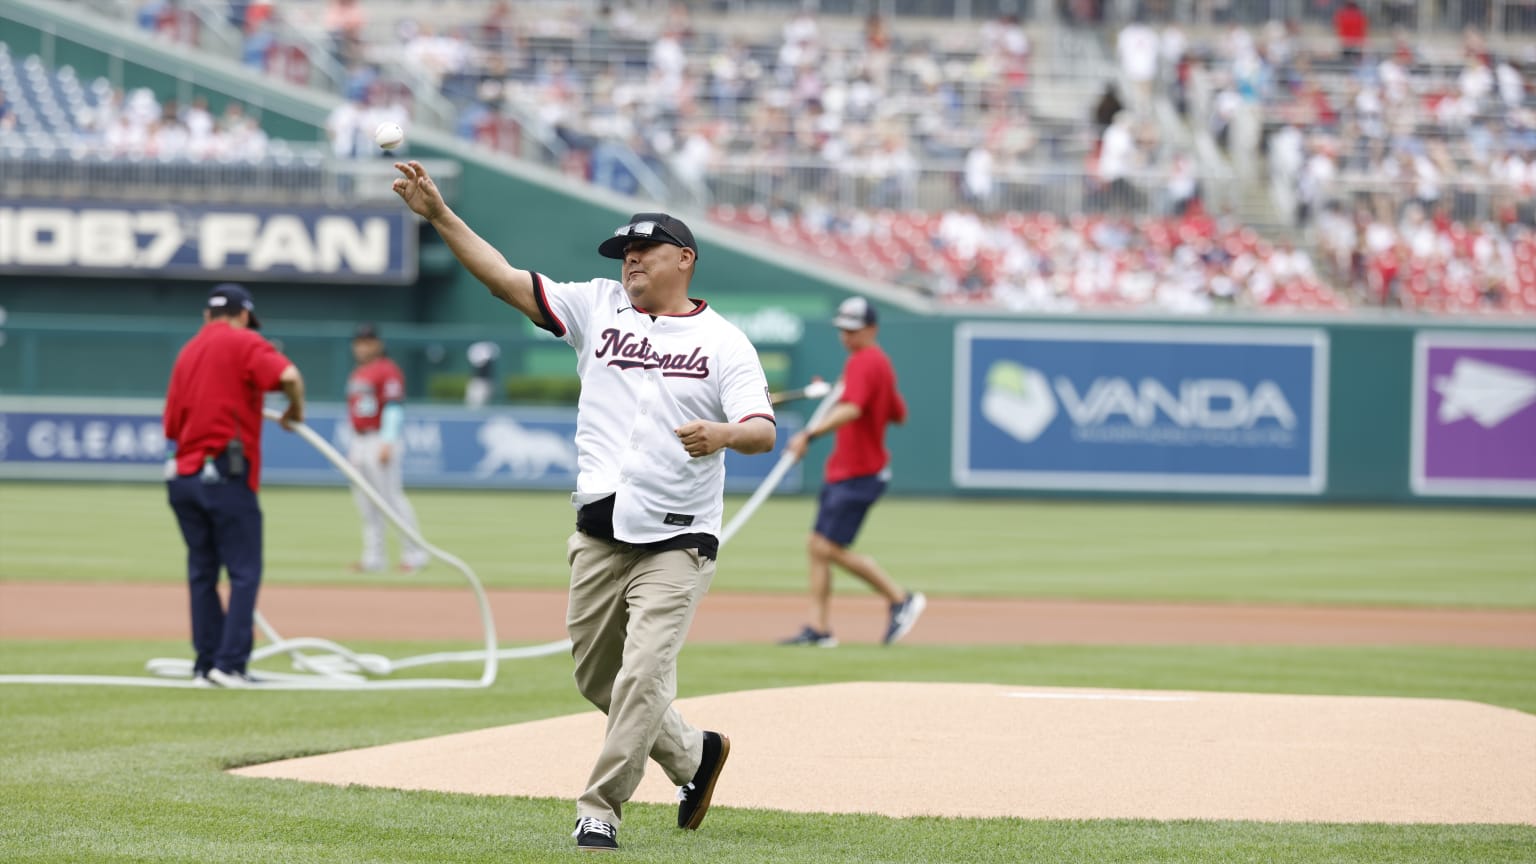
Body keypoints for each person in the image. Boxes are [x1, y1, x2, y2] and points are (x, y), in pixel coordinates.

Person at [389, 160, 776, 853]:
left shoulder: (725, 342)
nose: (630, 260)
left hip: (678, 539)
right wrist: (440, 216)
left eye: (645, 249)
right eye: (624, 251)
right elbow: (505, 280)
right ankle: (695, 755)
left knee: (642, 675)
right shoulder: (597, 307)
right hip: (599, 532)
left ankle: (600, 808)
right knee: (597, 677)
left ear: (684, 259)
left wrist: (723, 434)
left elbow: (761, 430)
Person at [162, 283, 305, 688]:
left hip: (184, 476)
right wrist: (295, 410)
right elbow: (289, 375)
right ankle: (230, 665)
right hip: (226, 471)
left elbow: (171, 426)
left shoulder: (188, 351)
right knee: (244, 571)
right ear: (243, 315)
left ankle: (206, 663)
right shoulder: (245, 342)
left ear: (206, 315)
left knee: (202, 571)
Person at [780, 296, 924, 648]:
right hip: (847, 470)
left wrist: (809, 435)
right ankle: (819, 628)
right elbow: (897, 413)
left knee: (827, 547)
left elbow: (853, 410)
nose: (846, 336)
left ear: (871, 329)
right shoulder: (875, 364)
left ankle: (900, 598)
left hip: (859, 471)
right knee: (817, 547)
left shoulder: (865, 361)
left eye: (853, 330)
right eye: (843, 330)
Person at [346, 322, 429, 573]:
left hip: (379, 437)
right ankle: (374, 558)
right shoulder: (359, 372)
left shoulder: (387, 370)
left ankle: (415, 554)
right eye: (359, 342)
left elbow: (393, 407)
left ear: (378, 344)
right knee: (366, 503)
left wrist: (388, 440)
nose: (362, 347)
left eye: (367, 342)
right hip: (360, 439)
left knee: (391, 499)